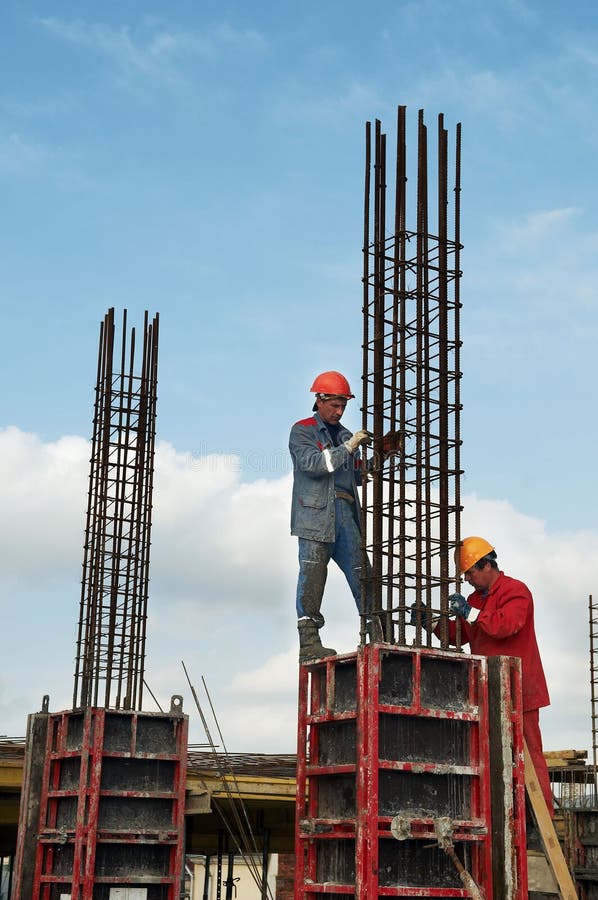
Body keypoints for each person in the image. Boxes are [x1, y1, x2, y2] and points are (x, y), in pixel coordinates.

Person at [289, 370, 399, 662]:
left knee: (364, 575)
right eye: (334, 405)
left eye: (343, 406)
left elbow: (357, 473)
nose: (339, 411)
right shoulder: (302, 431)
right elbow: (314, 464)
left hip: (346, 512)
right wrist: (348, 447)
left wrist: (382, 456)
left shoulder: (345, 435)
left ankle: (376, 635)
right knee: (313, 574)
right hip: (315, 515)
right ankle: (309, 642)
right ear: (319, 400)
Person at [447, 536, 554, 816]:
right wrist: (430, 622)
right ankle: (504, 815)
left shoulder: (516, 591)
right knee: (493, 757)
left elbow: (505, 626)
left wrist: (471, 612)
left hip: (521, 690)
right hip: (489, 690)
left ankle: (539, 820)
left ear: (486, 565)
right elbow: (461, 636)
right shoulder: (474, 600)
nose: (468, 579)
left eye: (470, 572)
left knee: (530, 755)